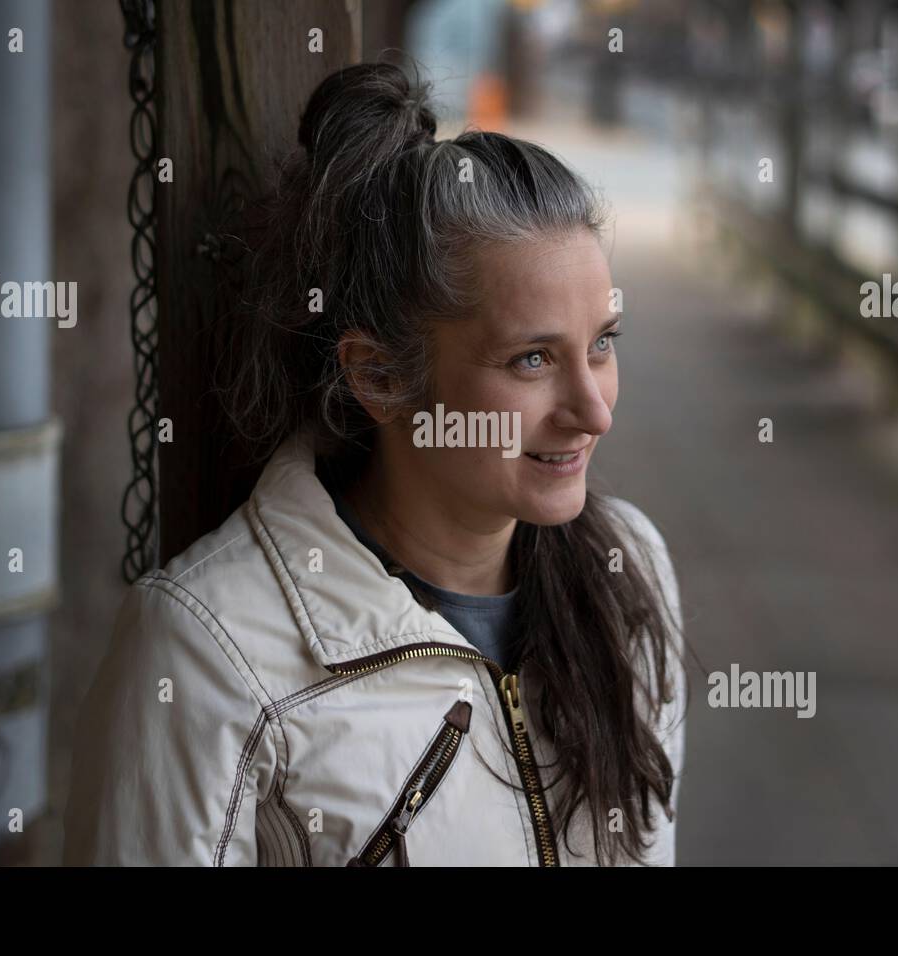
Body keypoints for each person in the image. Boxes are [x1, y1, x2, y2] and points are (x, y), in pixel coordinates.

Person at [64, 60, 688, 867]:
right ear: (381, 378)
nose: (594, 410)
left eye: (602, 344)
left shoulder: (628, 572)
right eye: (532, 360)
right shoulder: (208, 651)